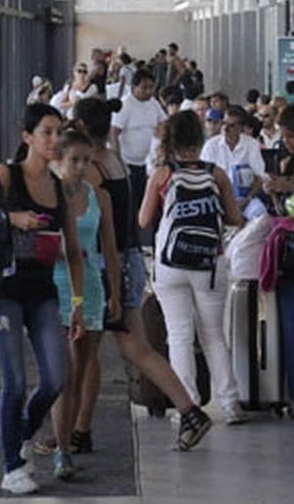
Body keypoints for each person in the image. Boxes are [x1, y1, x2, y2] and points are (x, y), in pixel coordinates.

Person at [74, 96, 214, 452]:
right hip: (131, 260)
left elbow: (92, 224)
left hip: (108, 266)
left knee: (86, 354)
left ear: (80, 128)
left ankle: (78, 432)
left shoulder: (91, 170)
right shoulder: (115, 162)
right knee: (136, 348)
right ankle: (189, 410)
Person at [0, 103, 85, 495]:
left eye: (58, 131)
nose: (55, 140)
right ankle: (12, 466)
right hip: (4, 291)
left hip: (43, 289)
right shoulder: (6, 175)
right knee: (14, 381)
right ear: (27, 137)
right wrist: (13, 219)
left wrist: (77, 301)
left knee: (57, 378)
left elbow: (73, 247)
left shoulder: (60, 187)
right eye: (47, 132)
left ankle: (23, 431)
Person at [139, 111, 245, 425]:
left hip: (171, 263)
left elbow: (144, 220)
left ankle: (189, 405)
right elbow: (235, 217)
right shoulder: (217, 173)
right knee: (213, 335)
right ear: (199, 139)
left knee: (179, 336)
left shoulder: (162, 174)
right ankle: (230, 404)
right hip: (209, 263)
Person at [48, 128, 118, 480]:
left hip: (89, 289)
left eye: (86, 161)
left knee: (77, 370)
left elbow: (110, 250)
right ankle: (58, 442)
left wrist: (116, 294)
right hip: (52, 289)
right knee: (61, 372)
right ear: (57, 160)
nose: (79, 167)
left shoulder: (98, 198)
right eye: (73, 160)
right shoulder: (47, 195)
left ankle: (67, 444)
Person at [112, 69, 166, 230]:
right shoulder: (125, 105)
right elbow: (113, 134)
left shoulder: (154, 104)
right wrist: (118, 161)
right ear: (134, 87)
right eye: (145, 87)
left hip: (147, 165)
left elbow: (163, 124)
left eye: (151, 87)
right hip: (127, 164)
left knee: (146, 206)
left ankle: (142, 240)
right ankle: (130, 242)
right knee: (129, 207)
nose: (149, 91)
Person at [200, 106, 267, 215]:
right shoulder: (211, 145)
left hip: (244, 197)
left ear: (241, 128)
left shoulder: (251, 145)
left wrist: (246, 200)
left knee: (260, 213)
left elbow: (259, 178)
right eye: (224, 123)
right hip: (217, 197)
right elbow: (203, 177)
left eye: (231, 126)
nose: (226, 129)